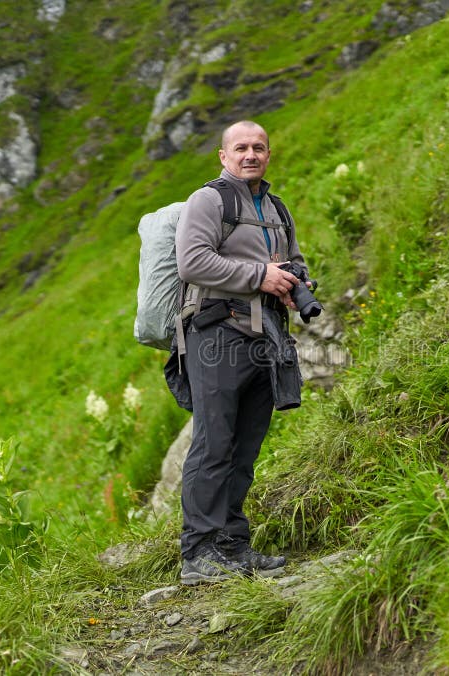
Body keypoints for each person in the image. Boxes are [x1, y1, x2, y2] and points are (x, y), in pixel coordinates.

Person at [175, 120, 308, 586]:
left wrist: (297, 281)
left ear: (268, 154)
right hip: (216, 334)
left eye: (259, 147)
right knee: (214, 442)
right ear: (223, 155)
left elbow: (292, 258)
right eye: (241, 148)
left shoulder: (276, 208)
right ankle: (199, 553)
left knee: (245, 446)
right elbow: (192, 261)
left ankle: (232, 545)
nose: (250, 154)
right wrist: (260, 276)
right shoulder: (209, 200)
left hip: (265, 337)